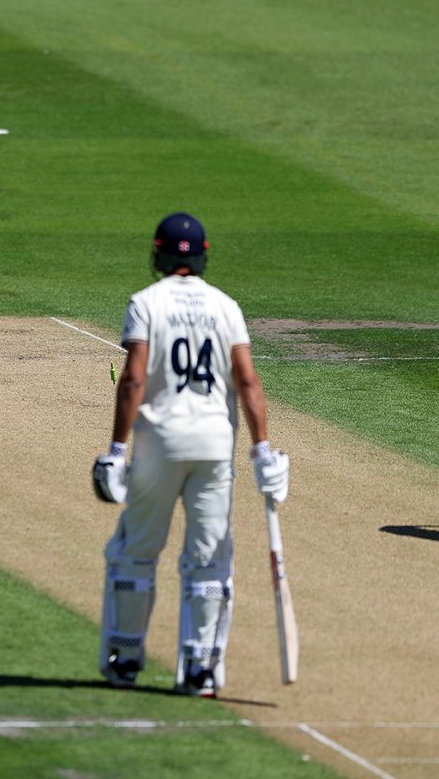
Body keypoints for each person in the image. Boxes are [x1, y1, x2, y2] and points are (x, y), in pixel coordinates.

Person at [91, 212, 290, 697]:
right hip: (214, 448)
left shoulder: (146, 303)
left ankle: (125, 658)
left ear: (158, 254)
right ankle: (199, 669)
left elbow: (134, 379)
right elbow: (247, 380)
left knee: (135, 553)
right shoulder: (226, 306)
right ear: (203, 255)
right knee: (208, 562)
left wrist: (117, 450)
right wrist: (262, 448)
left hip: (160, 444)